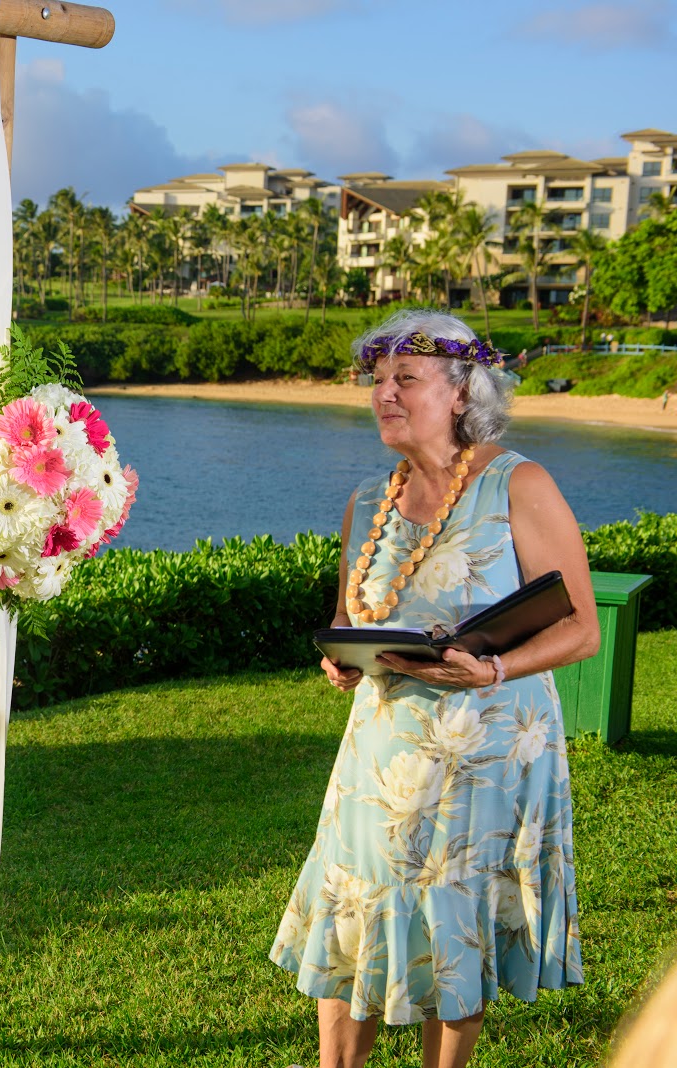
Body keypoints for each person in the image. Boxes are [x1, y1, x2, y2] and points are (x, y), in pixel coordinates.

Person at [269, 308, 599, 1068]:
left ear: (459, 393)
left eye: (404, 379)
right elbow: (354, 615)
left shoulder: (519, 483)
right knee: (352, 909)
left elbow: (582, 627)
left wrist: (494, 669)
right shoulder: (367, 500)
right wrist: (341, 659)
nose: (384, 393)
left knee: (459, 921)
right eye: (377, 380)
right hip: (377, 754)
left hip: (485, 755)